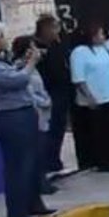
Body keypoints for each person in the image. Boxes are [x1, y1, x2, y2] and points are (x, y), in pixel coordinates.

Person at [0, 24, 54, 217]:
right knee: (19, 165)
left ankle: (34, 203)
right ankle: (18, 212)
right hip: (10, 117)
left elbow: (15, 73)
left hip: (23, 114)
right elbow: (17, 80)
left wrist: (25, 61)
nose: (5, 39)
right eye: (1, 36)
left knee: (32, 160)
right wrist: (32, 64)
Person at [70, 23, 109, 173]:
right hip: (96, 97)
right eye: (100, 34)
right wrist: (89, 97)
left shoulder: (102, 49)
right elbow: (78, 78)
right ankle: (104, 161)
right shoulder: (79, 52)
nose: (103, 37)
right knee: (101, 131)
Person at [32, 14, 77, 175]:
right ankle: (45, 166)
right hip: (47, 94)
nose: (57, 31)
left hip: (62, 92)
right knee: (48, 132)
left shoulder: (56, 45)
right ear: (45, 29)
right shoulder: (35, 47)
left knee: (59, 128)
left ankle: (55, 162)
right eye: (54, 27)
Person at [11, 36, 56, 196]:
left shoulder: (33, 67)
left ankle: (42, 182)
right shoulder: (20, 68)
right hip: (35, 112)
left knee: (41, 149)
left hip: (43, 111)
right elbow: (27, 91)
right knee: (36, 151)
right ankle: (39, 184)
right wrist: (44, 102)